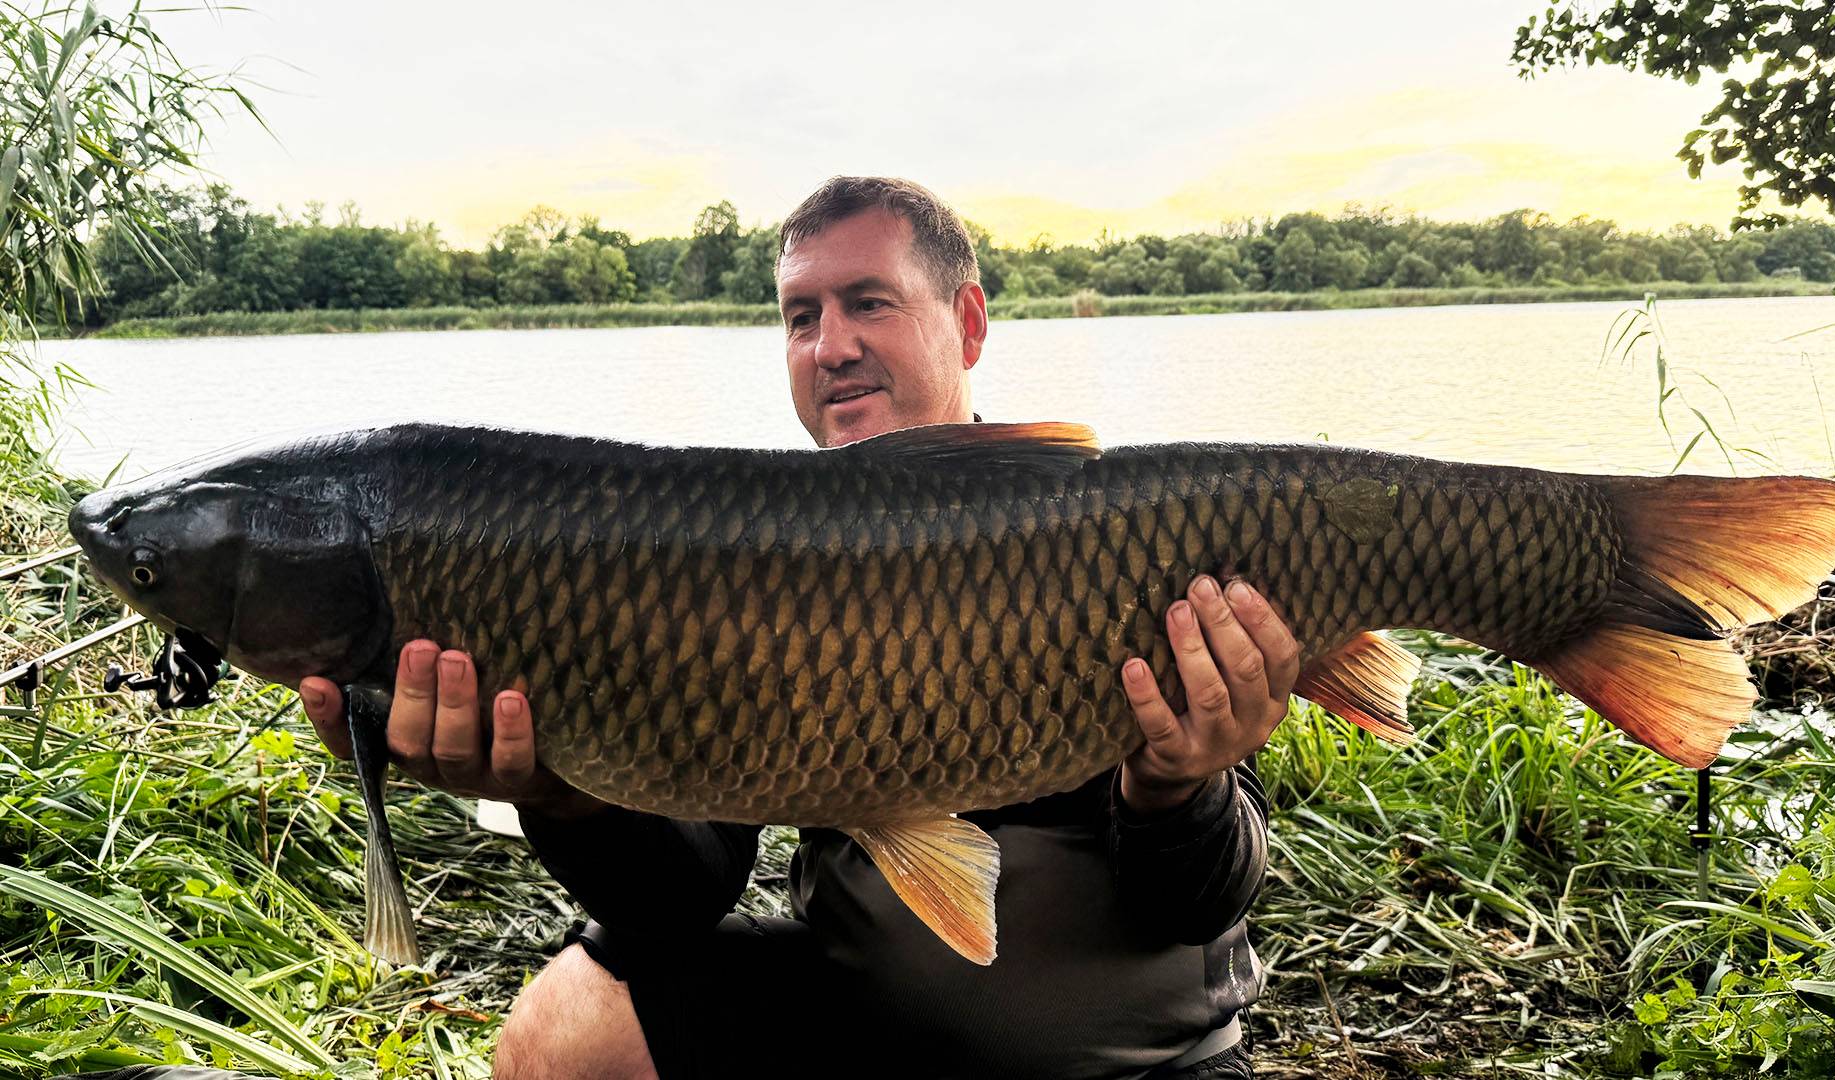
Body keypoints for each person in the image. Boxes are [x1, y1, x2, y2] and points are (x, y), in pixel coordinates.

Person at [299, 176, 1300, 1080]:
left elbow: (1203, 902)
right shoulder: (755, 560)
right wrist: (564, 798)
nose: (830, 346)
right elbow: (684, 895)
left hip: (1133, 1069)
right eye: (799, 317)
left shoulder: (1117, 535)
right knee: (569, 1021)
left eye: (869, 302)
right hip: (851, 1029)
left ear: (969, 321)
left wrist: (1177, 785)